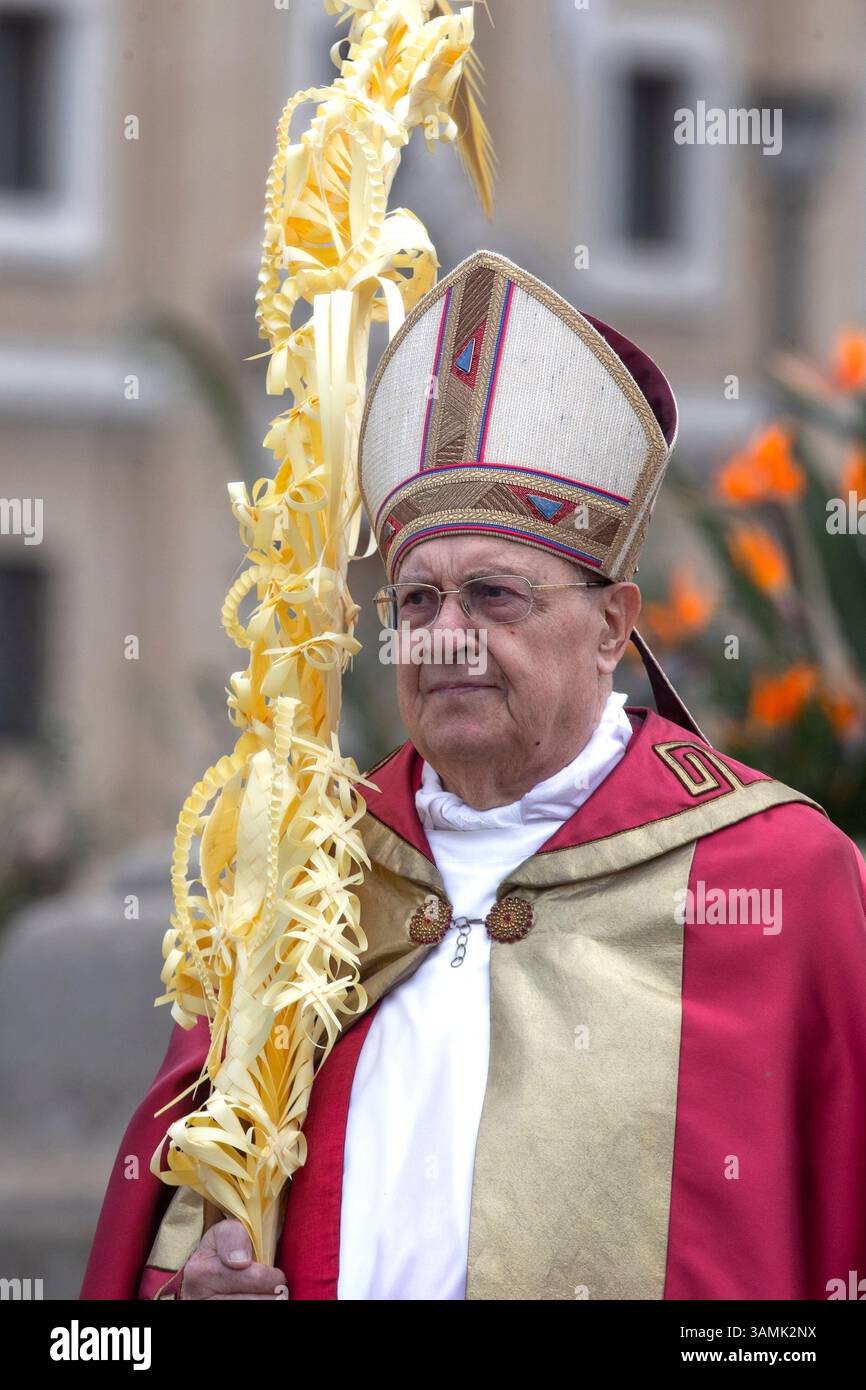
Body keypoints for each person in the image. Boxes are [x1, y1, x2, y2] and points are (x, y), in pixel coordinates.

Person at [81, 250, 866, 1301]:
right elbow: (174, 1227)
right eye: (414, 603)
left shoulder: (774, 877)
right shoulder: (302, 882)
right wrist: (188, 1291)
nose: (443, 638)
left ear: (611, 626)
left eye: (492, 596)